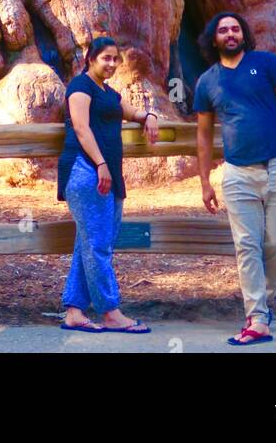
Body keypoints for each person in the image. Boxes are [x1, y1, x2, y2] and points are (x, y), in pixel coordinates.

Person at [194, 11, 276, 346]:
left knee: (275, 246)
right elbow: (203, 133)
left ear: (243, 35)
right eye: (223, 30)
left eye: (235, 29)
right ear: (214, 39)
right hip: (238, 174)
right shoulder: (207, 81)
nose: (230, 34)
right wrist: (204, 181)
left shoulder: (268, 64)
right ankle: (256, 317)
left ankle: (262, 303)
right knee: (246, 246)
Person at [58, 35, 159, 333]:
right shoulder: (80, 87)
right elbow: (80, 127)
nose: (112, 63)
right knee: (98, 245)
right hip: (86, 170)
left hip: (108, 173)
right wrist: (100, 163)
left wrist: (149, 115)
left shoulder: (109, 93)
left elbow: (132, 112)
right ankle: (110, 311)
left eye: (116, 59)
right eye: (106, 58)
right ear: (91, 59)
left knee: (90, 243)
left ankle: (75, 311)